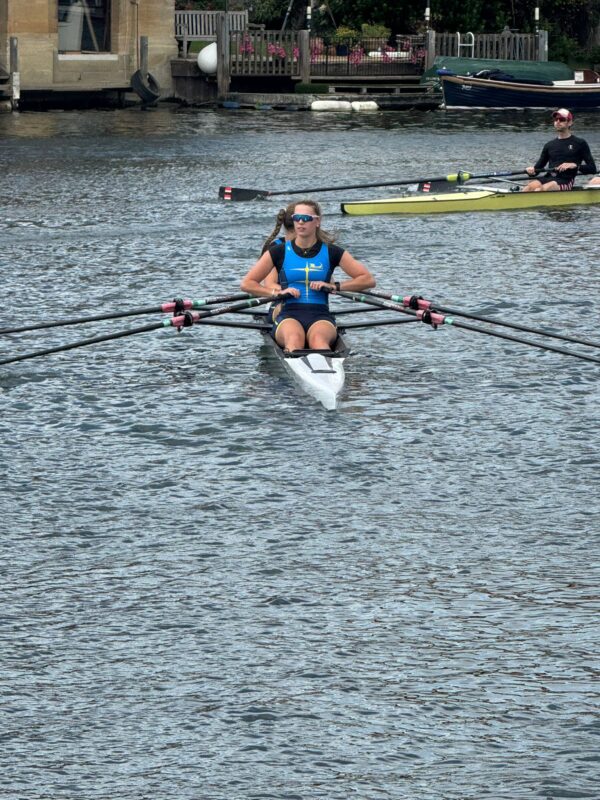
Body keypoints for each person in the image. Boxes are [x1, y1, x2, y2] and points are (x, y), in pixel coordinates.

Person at [241, 199, 375, 352]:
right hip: (288, 313)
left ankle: (325, 368)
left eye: (306, 218)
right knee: (294, 341)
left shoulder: (333, 251)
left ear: (317, 221)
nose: (300, 223)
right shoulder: (278, 251)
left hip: (321, 315)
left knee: (319, 342)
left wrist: (335, 286)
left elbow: (367, 280)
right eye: (296, 218)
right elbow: (247, 284)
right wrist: (277, 292)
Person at [523, 108, 597, 192]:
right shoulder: (549, 145)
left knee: (544, 188)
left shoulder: (580, 143)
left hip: (565, 180)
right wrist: (531, 171)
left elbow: (592, 169)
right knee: (528, 188)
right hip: (549, 177)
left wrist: (576, 165)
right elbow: (537, 170)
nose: (558, 122)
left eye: (561, 119)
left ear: (570, 122)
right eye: (556, 119)